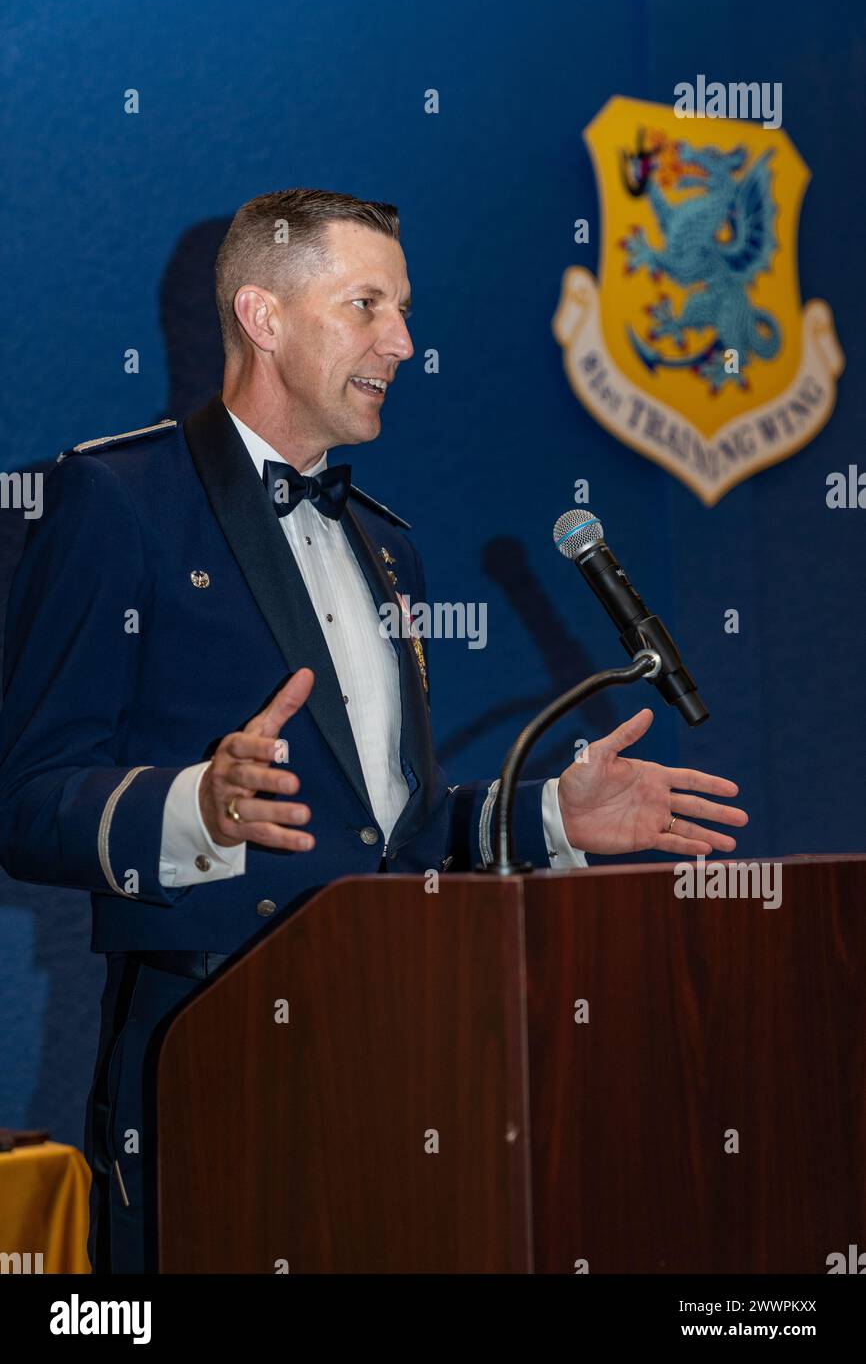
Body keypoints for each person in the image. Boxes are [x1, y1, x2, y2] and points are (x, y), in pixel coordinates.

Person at [0, 188, 748, 1273]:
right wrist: (195, 806)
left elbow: (389, 832)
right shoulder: (117, 499)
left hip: (396, 1049)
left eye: (401, 310)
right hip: (216, 1046)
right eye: (367, 306)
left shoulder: (385, 548)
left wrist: (545, 815)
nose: (402, 340)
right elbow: (27, 796)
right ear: (262, 315)